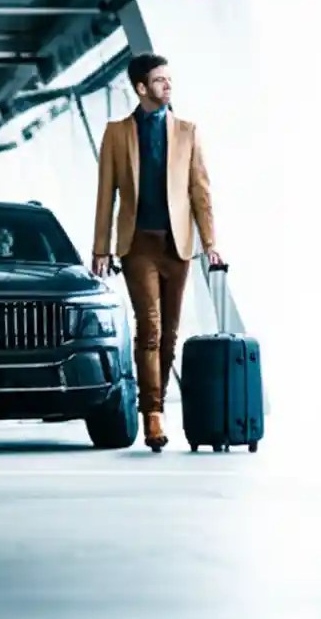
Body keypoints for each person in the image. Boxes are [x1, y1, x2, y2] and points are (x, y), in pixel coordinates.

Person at [91, 53, 222, 453]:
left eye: (170, 79)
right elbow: (106, 194)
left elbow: (201, 192)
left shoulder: (187, 131)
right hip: (137, 246)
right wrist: (100, 248)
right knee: (148, 329)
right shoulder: (117, 134)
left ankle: (156, 400)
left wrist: (211, 244)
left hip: (177, 245)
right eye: (160, 80)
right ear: (141, 87)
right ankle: (153, 414)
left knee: (169, 335)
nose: (168, 85)